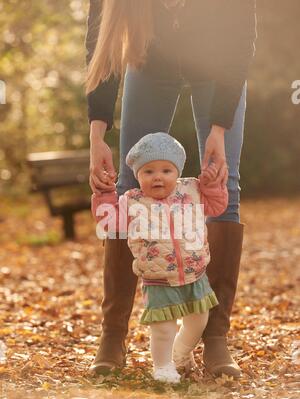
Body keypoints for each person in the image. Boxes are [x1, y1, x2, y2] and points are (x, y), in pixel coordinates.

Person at [85, 0, 257, 377]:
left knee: (221, 178)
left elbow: (240, 42)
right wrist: (97, 135)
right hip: (151, 59)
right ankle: (112, 335)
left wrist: (219, 129)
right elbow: (104, 45)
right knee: (130, 183)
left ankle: (215, 337)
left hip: (217, 64)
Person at [92, 132, 228, 383]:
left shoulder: (192, 191)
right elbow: (109, 223)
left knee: (198, 320)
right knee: (163, 328)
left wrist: (211, 185)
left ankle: (181, 352)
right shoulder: (132, 202)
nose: (158, 177)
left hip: (194, 274)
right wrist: (104, 195)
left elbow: (218, 206)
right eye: (149, 171)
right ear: (138, 176)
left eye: (166, 170)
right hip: (158, 278)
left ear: (177, 173)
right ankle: (163, 366)